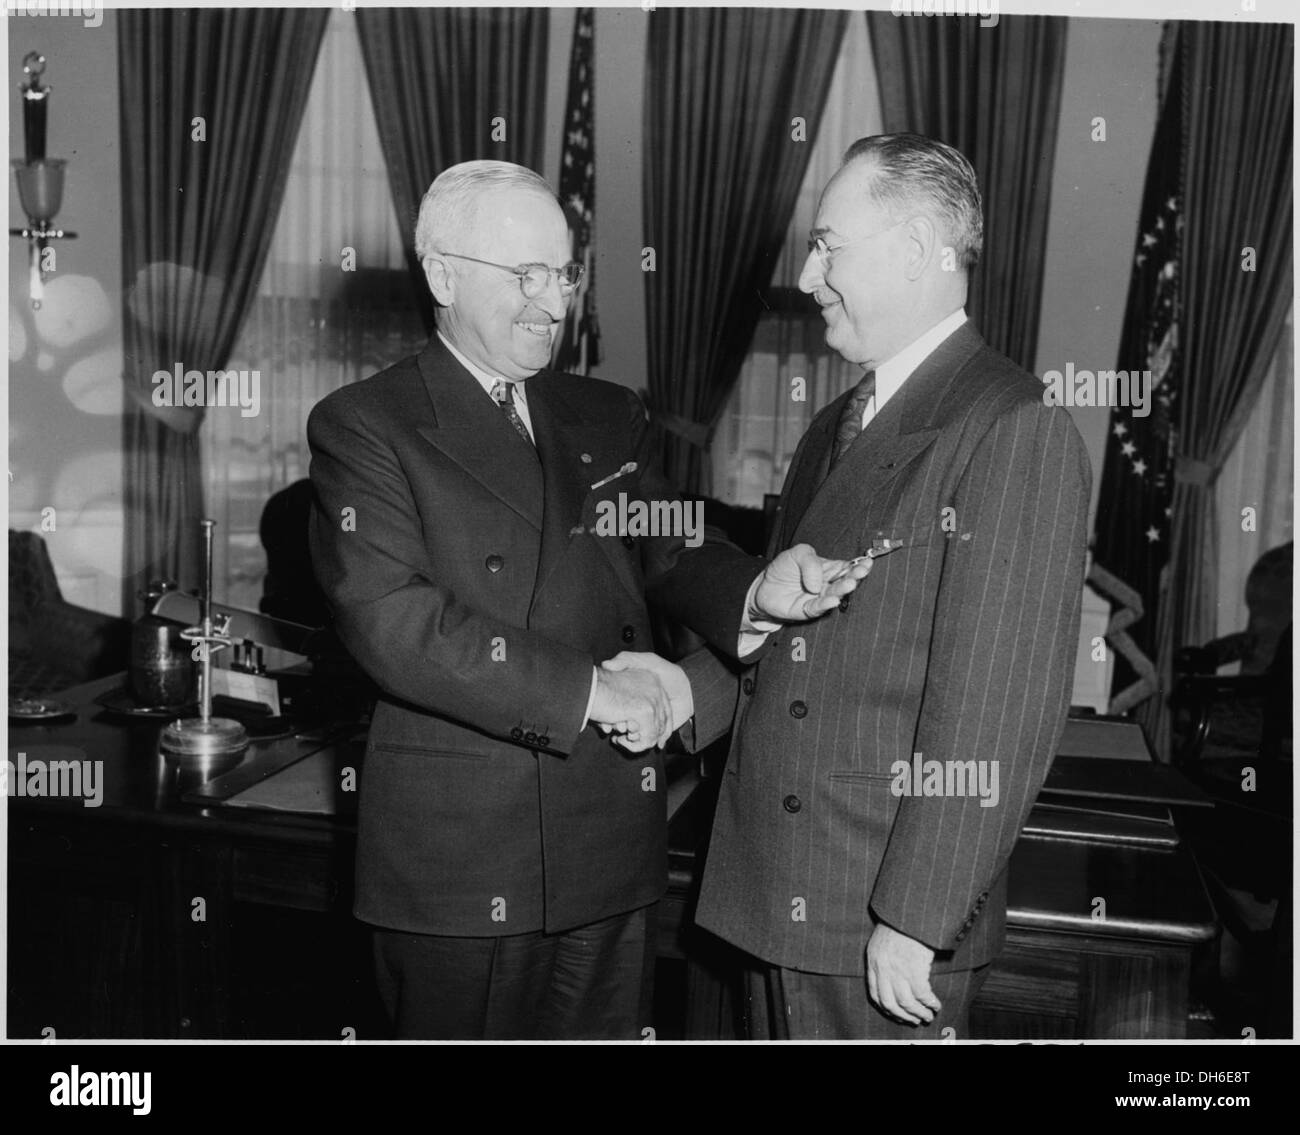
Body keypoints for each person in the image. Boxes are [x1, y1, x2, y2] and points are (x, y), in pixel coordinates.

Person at [306, 160, 866, 1040]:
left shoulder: (604, 412)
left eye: (562, 272)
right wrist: (595, 692)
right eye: (521, 274)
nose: (551, 301)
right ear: (442, 276)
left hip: (609, 836)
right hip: (461, 863)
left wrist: (761, 587)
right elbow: (397, 624)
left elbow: (670, 542)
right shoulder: (366, 423)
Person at [615, 134, 1091, 1038]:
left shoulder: (1014, 424)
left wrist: (916, 915)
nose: (806, 273)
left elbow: (998, 706)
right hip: (786, 886)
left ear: (915, 250)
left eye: (829, 244)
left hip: (878, 918)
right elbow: (817, 631)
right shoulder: (840, 421)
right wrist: (687, 690)